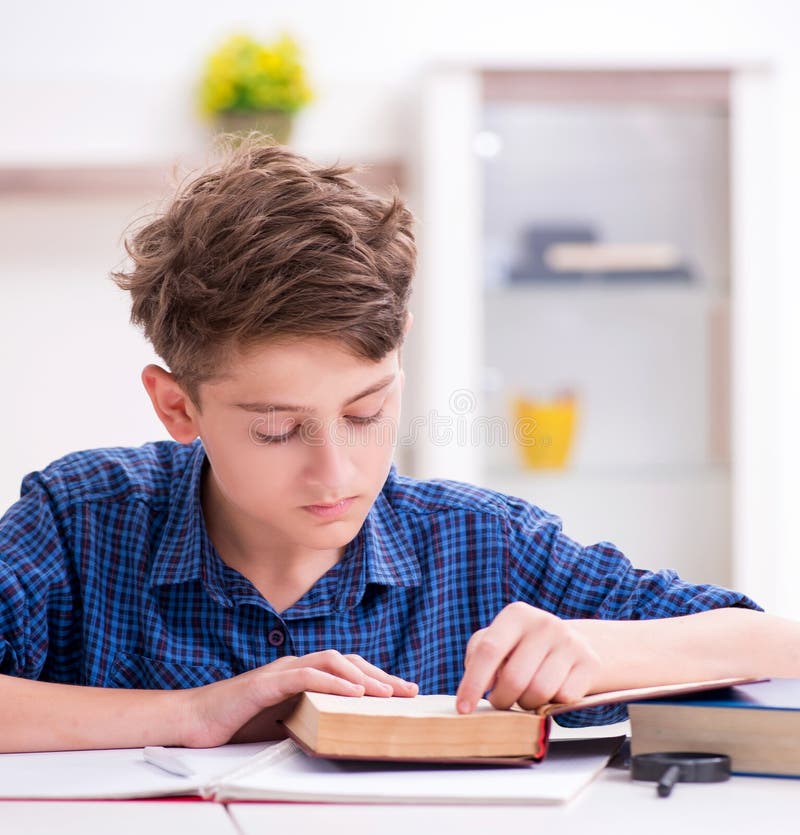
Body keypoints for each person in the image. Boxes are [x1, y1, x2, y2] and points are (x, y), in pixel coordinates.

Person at [0, 137, 797, 754]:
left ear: (399, 358)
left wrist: (596, 649)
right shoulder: (83, 521)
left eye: (366, 409)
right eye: (277, 428)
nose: (337, 472)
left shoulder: (485, 545)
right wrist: (190, 714)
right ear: (178, 406)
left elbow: (775, 645)